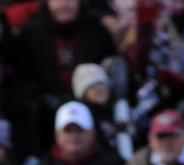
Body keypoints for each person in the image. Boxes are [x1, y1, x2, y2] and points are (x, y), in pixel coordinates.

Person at [9, 0, 116, 156]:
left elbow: (108, 70)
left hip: (91, 112)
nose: (64, 5)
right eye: (58, 0)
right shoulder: (29, 34)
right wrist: (45, 99)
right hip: (42, 116)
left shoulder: (97, 31)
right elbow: (20, 79)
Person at [26, 100, 129, 165]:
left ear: (93, 133)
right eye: (67, 130)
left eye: (80, 130)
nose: (73, 135)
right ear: (57, 134)